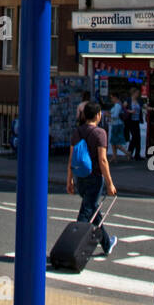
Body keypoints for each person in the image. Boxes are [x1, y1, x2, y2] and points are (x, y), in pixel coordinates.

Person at [66, 101, 117, 256]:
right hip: (94, 177)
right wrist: (110, 183)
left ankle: (107, 244)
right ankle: (71, 246)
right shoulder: (100, 133)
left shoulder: (77, 132)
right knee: (87, 212)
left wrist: (69, 180)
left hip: (80, 176)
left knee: (93, 209)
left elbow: (71, 158)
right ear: (97, 115)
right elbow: (102, 160)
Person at [125, 87, 143, 161]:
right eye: (137, 93)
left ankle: (137, 154)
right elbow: (124, 108)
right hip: (130, 121)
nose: (138, 95)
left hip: (137, 120)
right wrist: (130, 111)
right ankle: (130, 152)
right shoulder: (128, 100)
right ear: (133, 93)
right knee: (135, 136)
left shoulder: (138, 101)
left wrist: (152, 109)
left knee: (138, 137)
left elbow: (143, 106)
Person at [109, 94, 128, 159]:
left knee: (115, 142)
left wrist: (108, 115)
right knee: (113, 142)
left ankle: (127, 153)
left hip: (117, 125)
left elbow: (115, 116)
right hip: (117, 124)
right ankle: (114, 156)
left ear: (115, 98)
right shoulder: (118, 104)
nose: (111, 99)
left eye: (112, 98)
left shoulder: (117, 105)